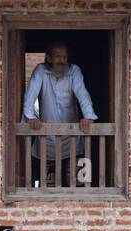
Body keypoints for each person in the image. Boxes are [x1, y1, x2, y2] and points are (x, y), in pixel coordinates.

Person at [22, 41, 97, 187]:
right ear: (49, 58)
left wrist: (88, 116)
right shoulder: (41, 71)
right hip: (47, 141)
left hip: (72, 140)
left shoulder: (74, 71)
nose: (62, 61)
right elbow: (30, 94)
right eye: (58, 56)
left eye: (65, 57)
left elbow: (82, 93)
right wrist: (30, 117)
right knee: (48, 188)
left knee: (77, 187)